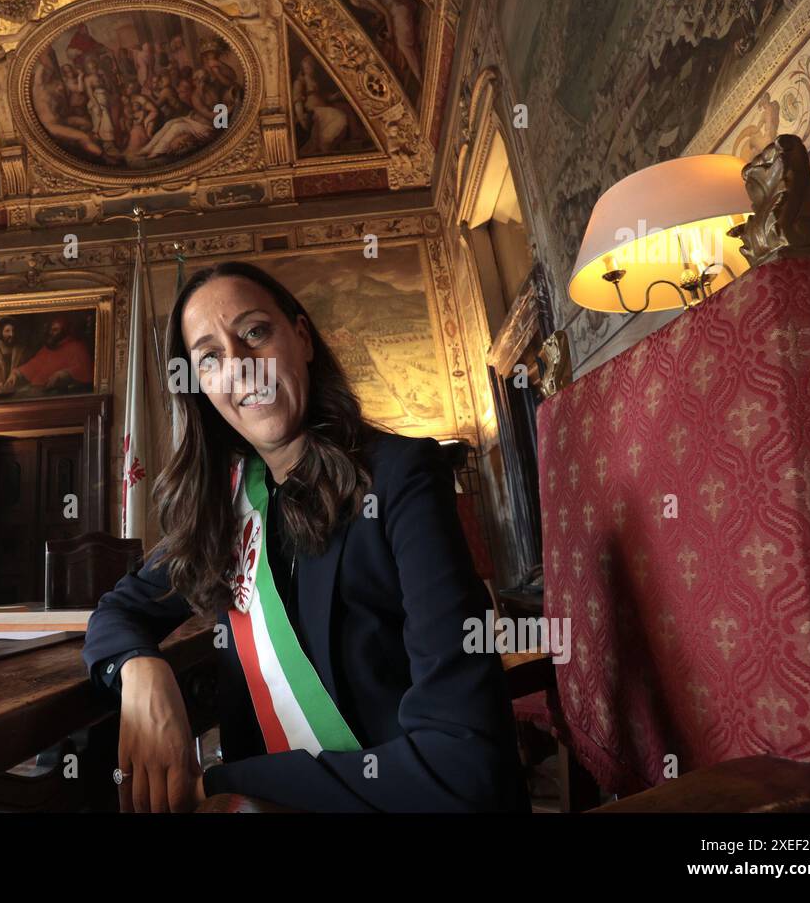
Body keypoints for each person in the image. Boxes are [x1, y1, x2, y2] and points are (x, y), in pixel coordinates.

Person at [83, 260, 529, 812]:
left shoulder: (400, 480)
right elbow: (116, 613)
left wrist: (224, 784)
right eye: (210, 358)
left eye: (253, 332)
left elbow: (465, 763)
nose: (240, 367)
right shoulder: (223, 512)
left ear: (301, 337)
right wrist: (140, 671)